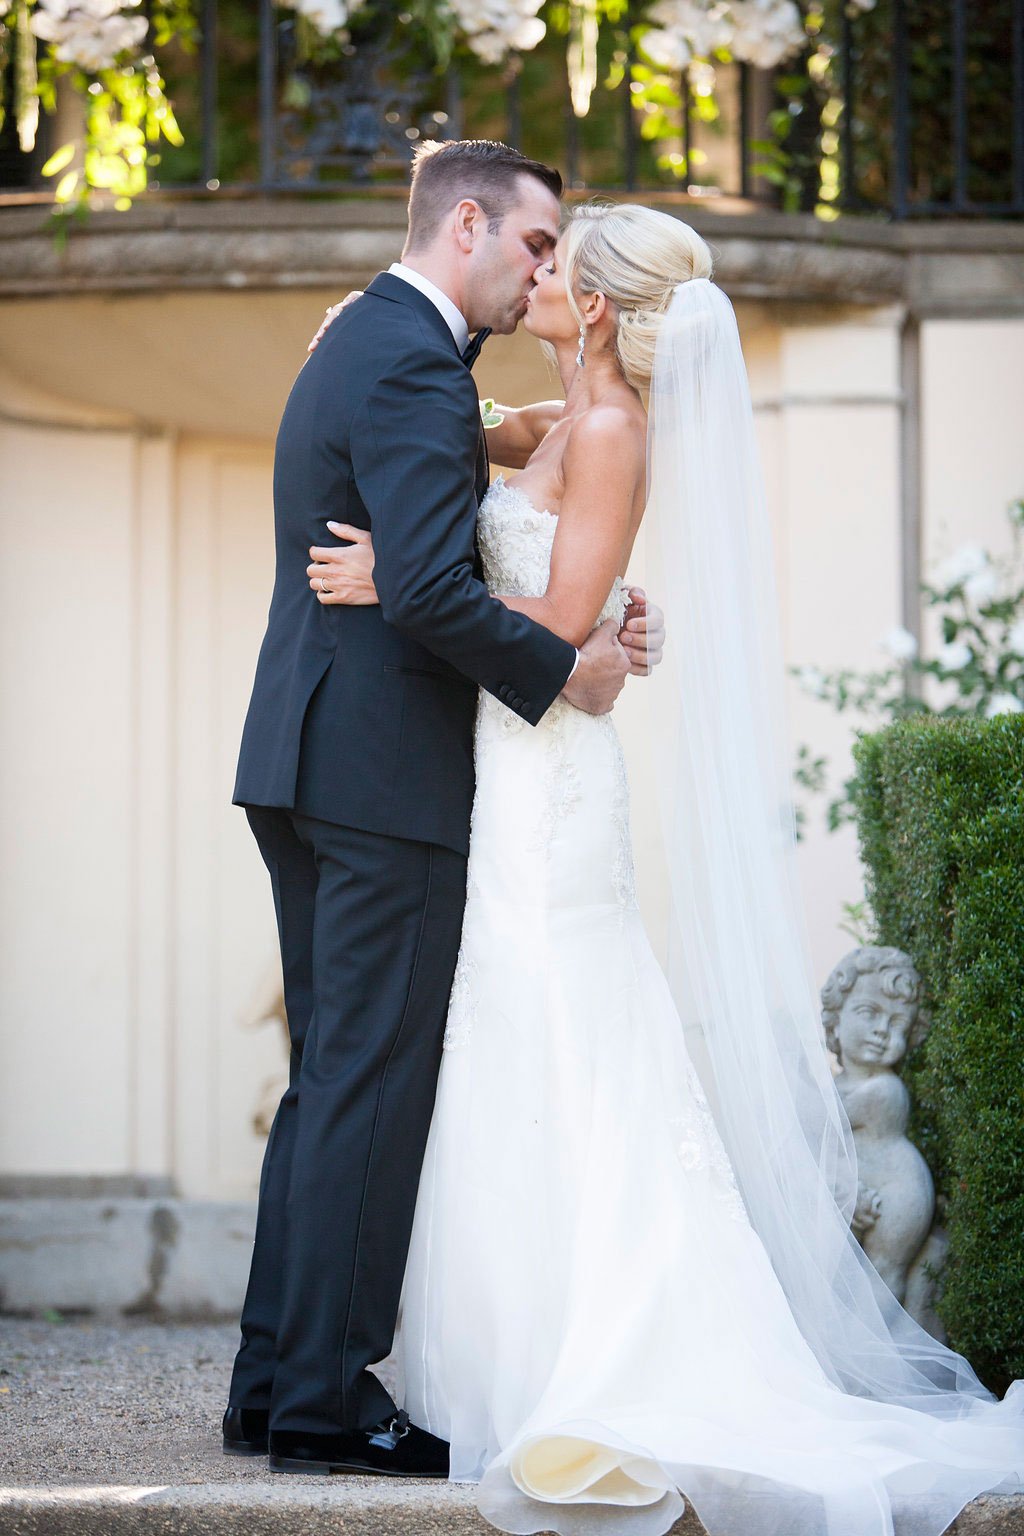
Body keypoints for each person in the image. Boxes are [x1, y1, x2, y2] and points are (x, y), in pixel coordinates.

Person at [307, 202, 1024, 1536]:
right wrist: (363, 366)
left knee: (564, 1033)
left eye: (556, 264)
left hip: (551, 783)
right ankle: (488, 1345)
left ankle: (600, 1350)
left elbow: (566, 624)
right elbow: (453, 446)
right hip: (504, 764)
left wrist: (396, 587)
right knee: (505, 1042)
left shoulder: (617, 433)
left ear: (592, 308)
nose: (534, 273)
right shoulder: (556, 419)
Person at [224, 140, 666, 1480]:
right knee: (370, 1081)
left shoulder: (363, 336)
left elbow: (447, 514)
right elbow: (420, 583)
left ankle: (273, 1381)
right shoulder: (410, 354)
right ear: (464, 222)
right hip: (384, 772)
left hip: (304, 756)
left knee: (327, 1082)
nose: (545, 269)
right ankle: (325, 1403)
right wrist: (568, 666)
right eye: (534, 245)